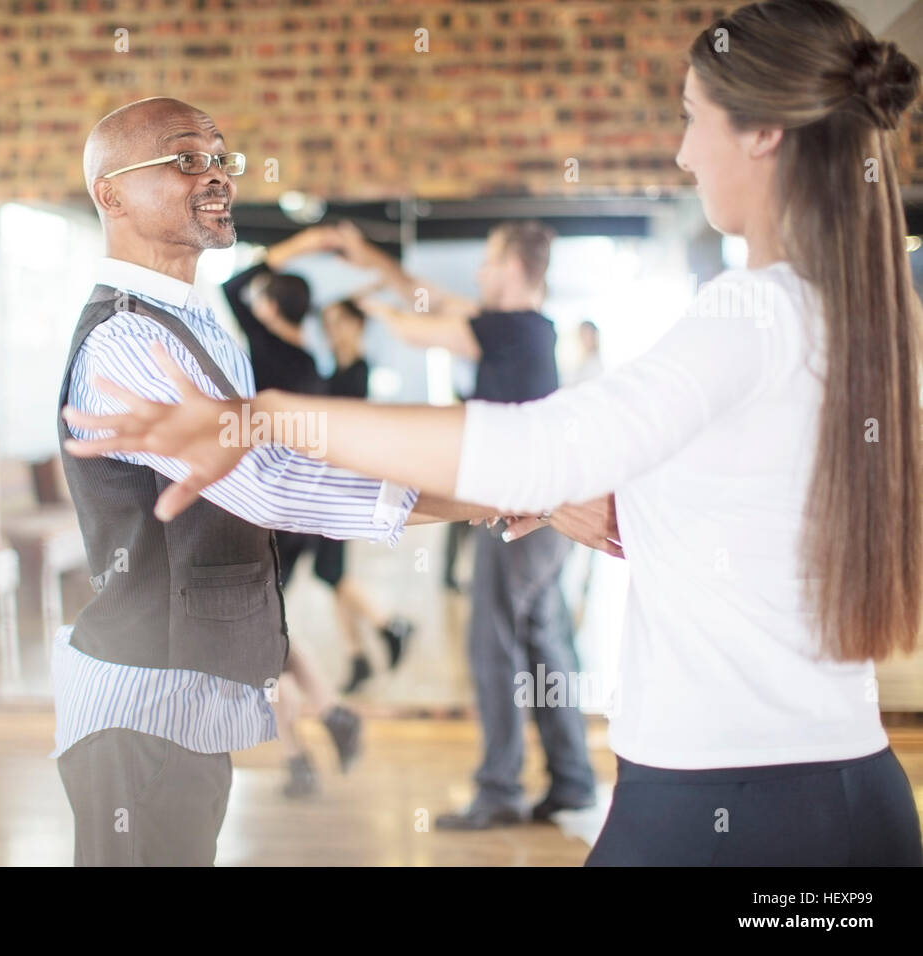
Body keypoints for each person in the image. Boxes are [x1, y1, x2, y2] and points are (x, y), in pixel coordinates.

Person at [64, 0, 923, 866]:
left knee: (510, 645)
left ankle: (512, 782)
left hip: (736, 798)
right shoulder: (833, 312)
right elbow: (671, 480)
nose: (681, 151)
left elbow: (543, 447)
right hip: (811, 787)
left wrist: (267, 418)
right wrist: (569, 497)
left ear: (764, 136)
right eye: (185, 160)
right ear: (110, 193)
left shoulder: (750, 312)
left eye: (693, 119)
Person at [54, 96, 498, 865]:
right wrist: (494, 493)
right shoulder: (127, 337)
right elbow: (269, 486)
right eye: (187, 159)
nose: (218, 175)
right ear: (111, 194)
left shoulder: (199, 323)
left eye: (222, 158)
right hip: (140, 706)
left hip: (186, 696)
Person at [350, 221, 599, 827]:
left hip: (515, 512)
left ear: (513, 269)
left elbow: (416, 325)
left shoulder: (504, 328)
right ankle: (571, 779)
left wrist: (370, 310)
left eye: (489, 262)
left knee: (493, 645)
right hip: (546, 516)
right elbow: (429, 297)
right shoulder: (532, 328)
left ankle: (500, 790)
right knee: (542, 641)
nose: (482, 273)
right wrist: (376, 265)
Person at [221, 232, 416, 697]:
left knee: (274, 599)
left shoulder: (278, 352)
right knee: (316, 583)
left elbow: (233, 286)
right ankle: (355, 659)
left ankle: (316, 682)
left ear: (269, 307)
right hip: (311, 498)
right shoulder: (312, 366)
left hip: (295, 501)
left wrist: (306, 242)